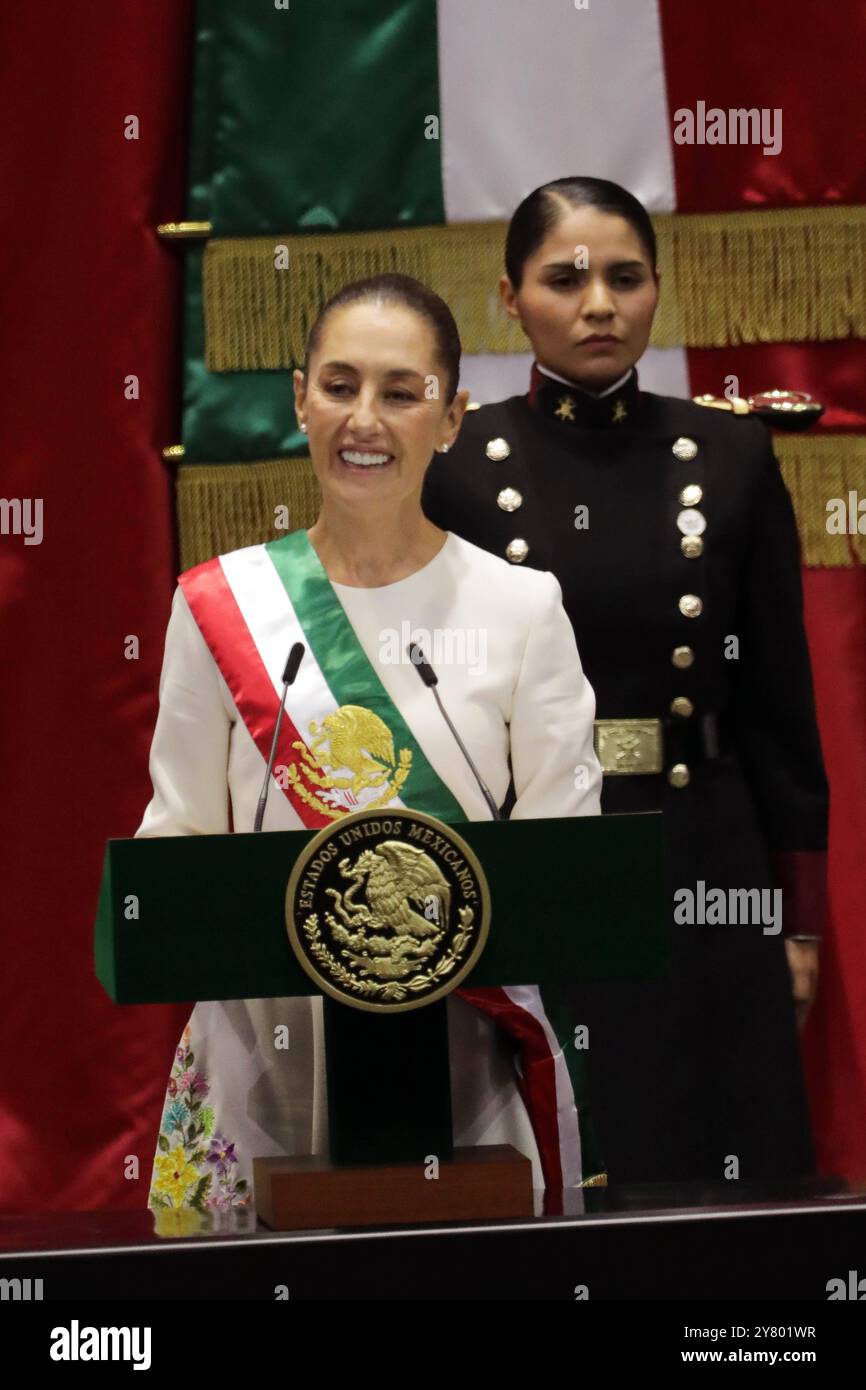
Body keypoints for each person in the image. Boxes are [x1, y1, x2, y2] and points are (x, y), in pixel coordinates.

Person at [136, 272, 604, 1213]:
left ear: (453, 416)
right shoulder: (217, 603)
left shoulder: (522, 607)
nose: (365, 418)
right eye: (340, 385)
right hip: (262, 1061)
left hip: (462, 1060)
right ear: (299, 398)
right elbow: (177, 841)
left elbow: (570, 867)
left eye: (402, 392)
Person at [423, 178, 829, 1185]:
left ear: (656, 288)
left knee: (726, 1177)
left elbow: (779, 709)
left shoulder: (729, 454)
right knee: (578, 1157)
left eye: (622, 276)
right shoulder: (460, 465)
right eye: (562, 279)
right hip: (543, 857)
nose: (596, 302)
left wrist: (797, 915)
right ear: (509, 299)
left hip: (705, 853)